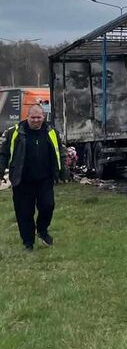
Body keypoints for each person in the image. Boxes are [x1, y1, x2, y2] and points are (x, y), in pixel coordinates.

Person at [0, 103, 66, 251]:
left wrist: (63, 171)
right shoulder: (15, 133)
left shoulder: (51, 132)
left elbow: (59, 152)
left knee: (48, 206)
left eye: (39, 117)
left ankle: (42, 230)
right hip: (22, 180)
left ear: (43, 117)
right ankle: (28, 243)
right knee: (24, 213)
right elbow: (3, 154)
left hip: (45, 179)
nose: (36, 120)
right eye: (33, 117)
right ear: (27, 117)